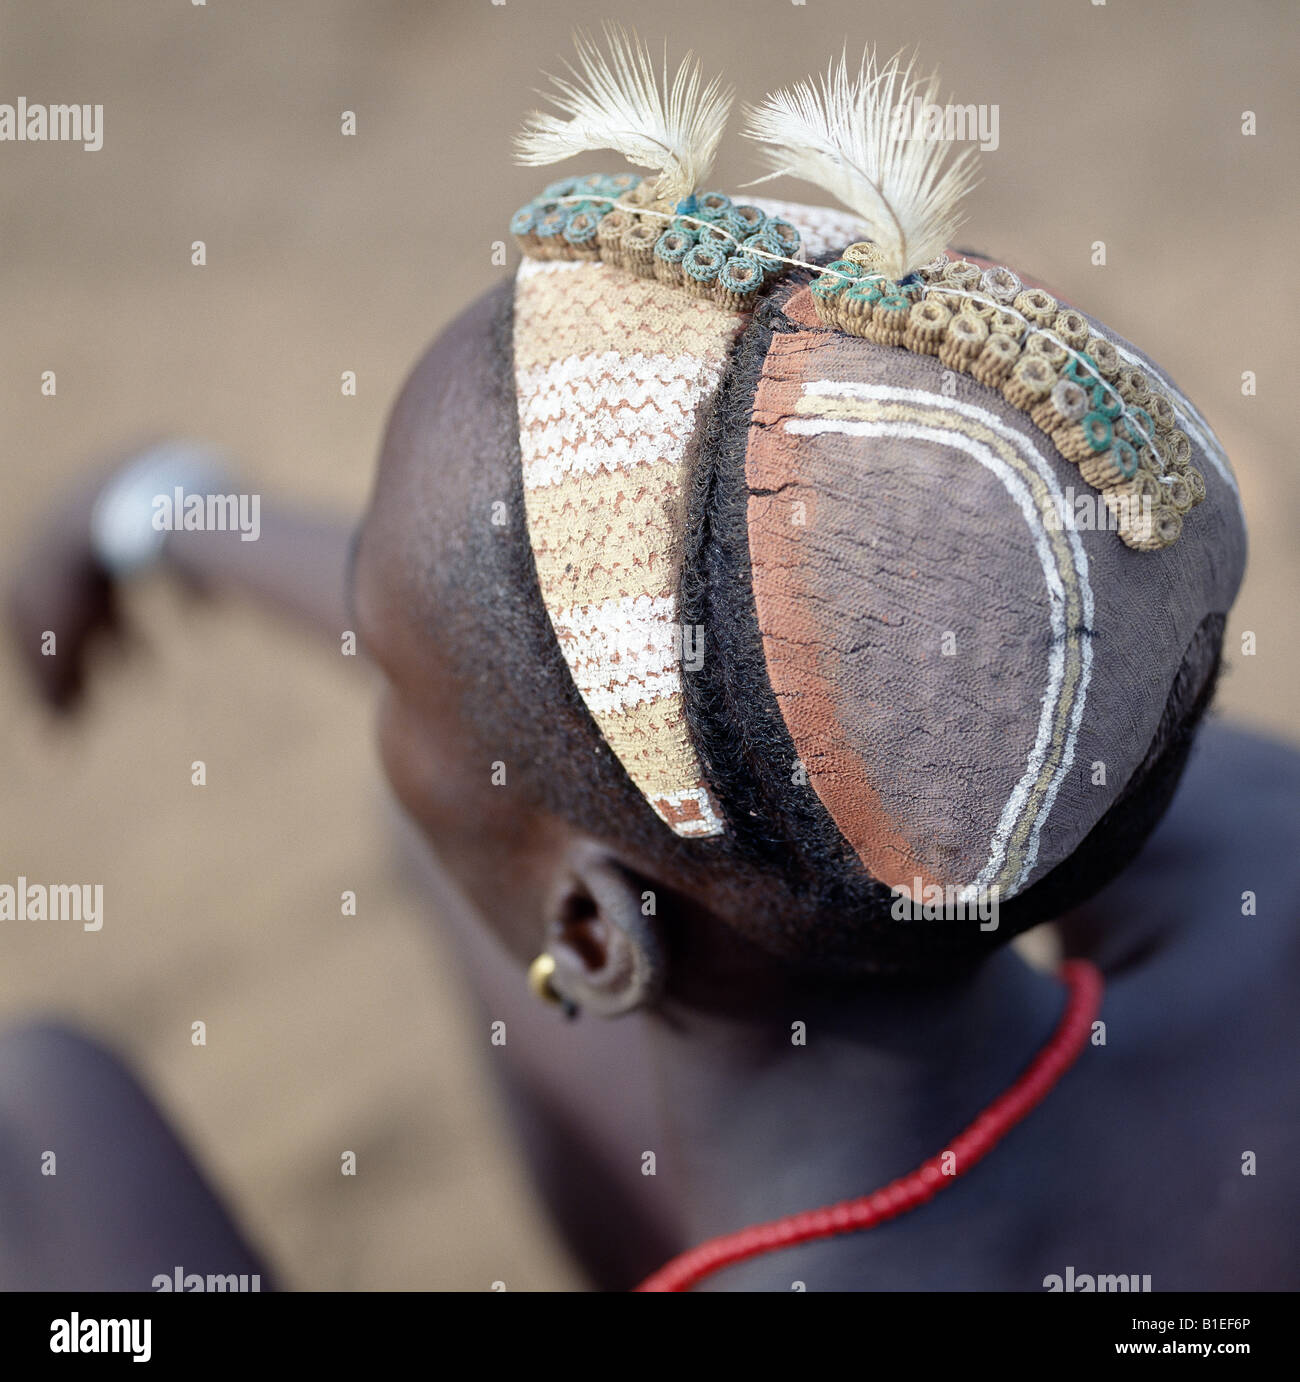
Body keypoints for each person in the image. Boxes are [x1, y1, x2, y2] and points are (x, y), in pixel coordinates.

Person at [7, 37, 1299, 1292]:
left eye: (393, 671)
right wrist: (172, 513)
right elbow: (562, 650)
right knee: (520, 786)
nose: (372, 656)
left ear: (592, 934)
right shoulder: (1242, 844)